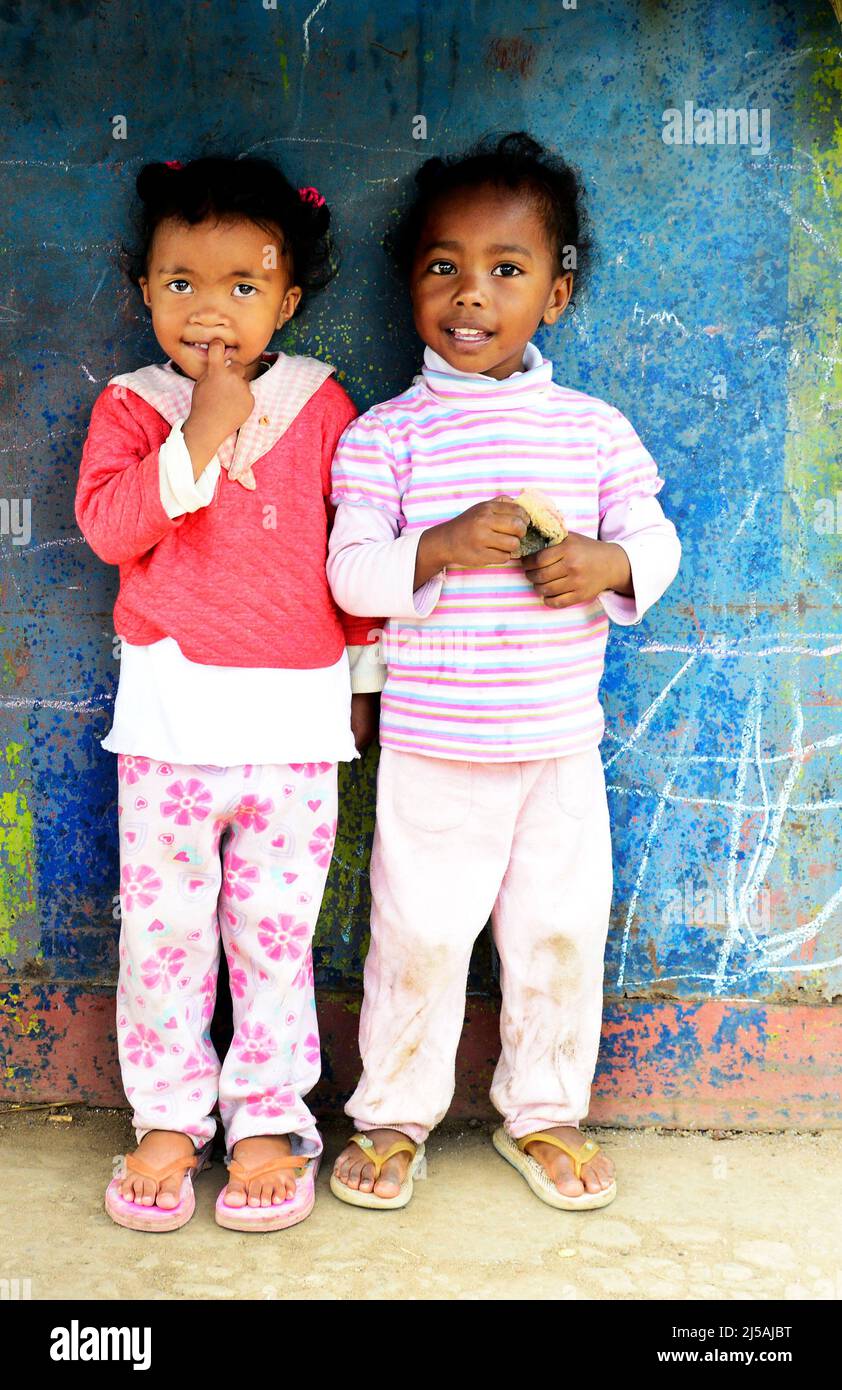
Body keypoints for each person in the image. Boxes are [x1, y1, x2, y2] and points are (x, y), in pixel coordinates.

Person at [326, 131, 681, 1211]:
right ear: (410, 285)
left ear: (556, 295)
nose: (469, 293)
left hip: (557, 750)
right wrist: (434, 545)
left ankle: (544, 1111)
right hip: (434, 749)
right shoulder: (388, 437)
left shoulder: (590, 430)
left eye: (506, 268)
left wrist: (609, 562)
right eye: (442, 265)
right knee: (419, 937)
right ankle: (389, 1116)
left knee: (558, 934)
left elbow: (655, 540)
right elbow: (350, 572)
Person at [75, 155, 382, 1232]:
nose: (210, 310)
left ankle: (264, 1116)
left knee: (271, 931)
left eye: (243, 287)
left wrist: (362, 680)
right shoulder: (132, 406)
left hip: (293, 733)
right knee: (163, 929)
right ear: (145, 294)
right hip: (167, 728)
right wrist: (201, 425)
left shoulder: (321, 404)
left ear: (288, 301)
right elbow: (113, 529)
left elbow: (354, 554)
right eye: (180, 284)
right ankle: (166, 1117)